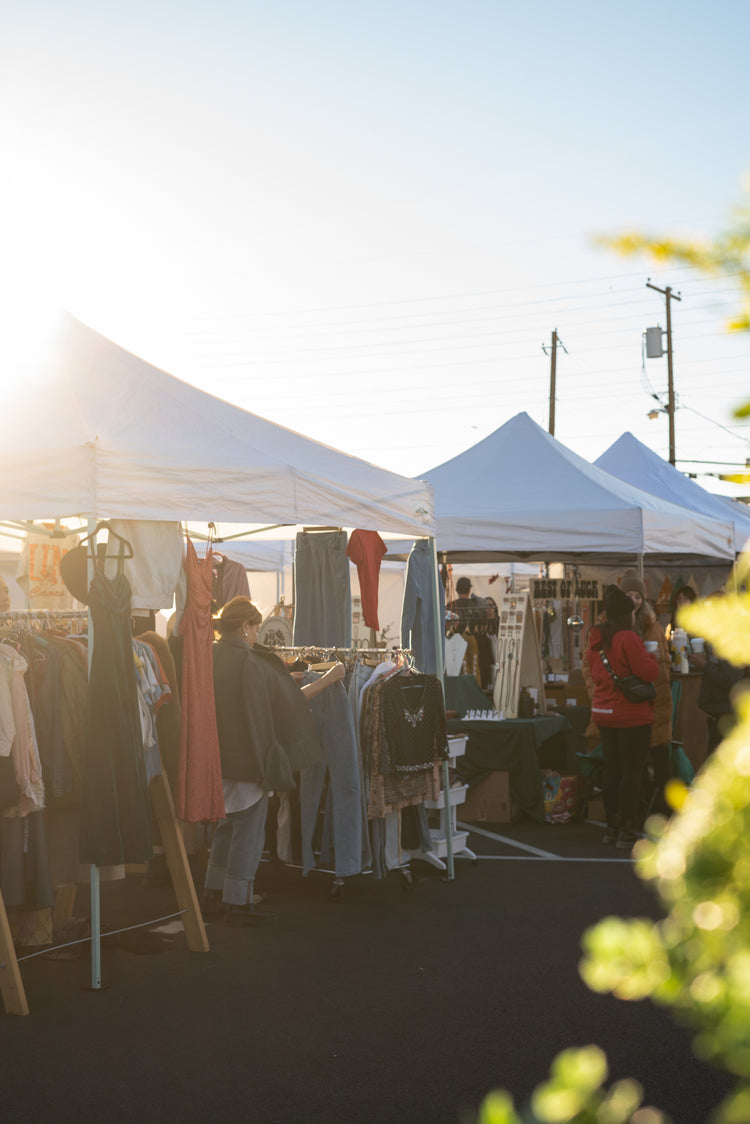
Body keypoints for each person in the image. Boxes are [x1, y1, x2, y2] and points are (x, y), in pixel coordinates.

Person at [203, 596, 345, 926]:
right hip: (249, 760)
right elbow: (283, 707)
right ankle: (237, 901)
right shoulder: (249, 662)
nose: (256, 635)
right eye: (254, 628)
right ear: (243, 628)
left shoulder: (210, 655)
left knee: (225, 828)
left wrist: (285, 681)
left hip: (219, 758)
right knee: (248, 834)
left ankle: (213, 891)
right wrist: (328, 680)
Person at [585, 584, 659, 850]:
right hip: (631, 715)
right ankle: (628, 830)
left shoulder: (596, 639)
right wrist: (652, 658)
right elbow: (649, 673)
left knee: (612, 771)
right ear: (625, 615)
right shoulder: (628, 638)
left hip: (604, 713)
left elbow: (595, 675)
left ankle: (611, 828)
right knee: (631, 773)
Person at [619, 570, 673, 815]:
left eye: (638, 595)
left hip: (656, 697)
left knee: (661, 755)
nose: (634, 600)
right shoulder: (615, 626)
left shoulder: (654, 626)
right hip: (630, 701)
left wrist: (659, 663)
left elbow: (667, 660)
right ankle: (638, 811)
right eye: (629, 595)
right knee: (634, 759)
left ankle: (664, 813)